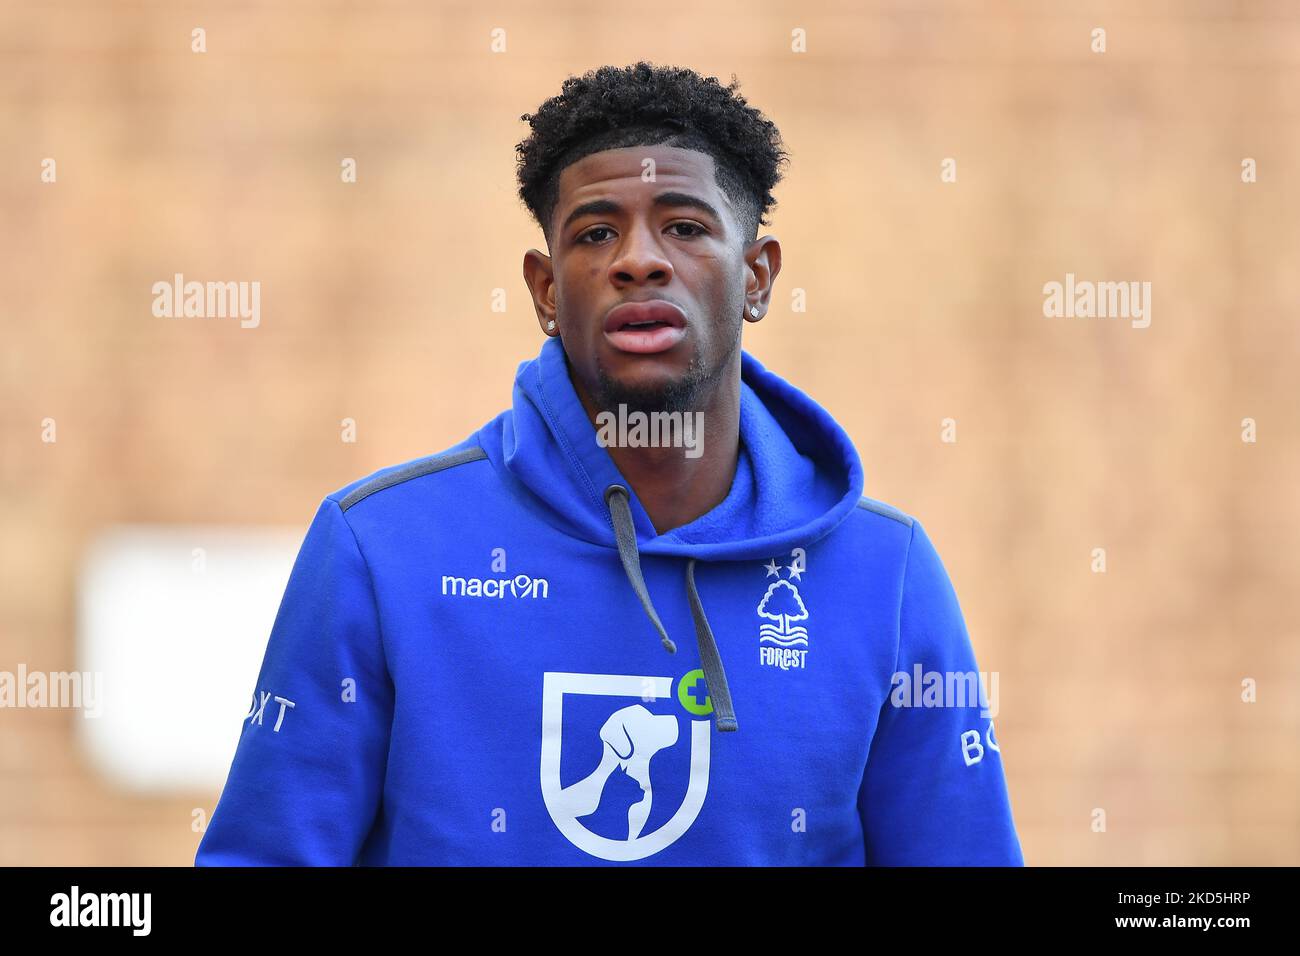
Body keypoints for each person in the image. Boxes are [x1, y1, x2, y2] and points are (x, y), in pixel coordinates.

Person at [195, 61, 1023, 866]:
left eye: (686, 226)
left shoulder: (886, 574)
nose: (639, 260)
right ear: (547, 290)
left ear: (758, 278)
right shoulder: (380, 547)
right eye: (596, 233)